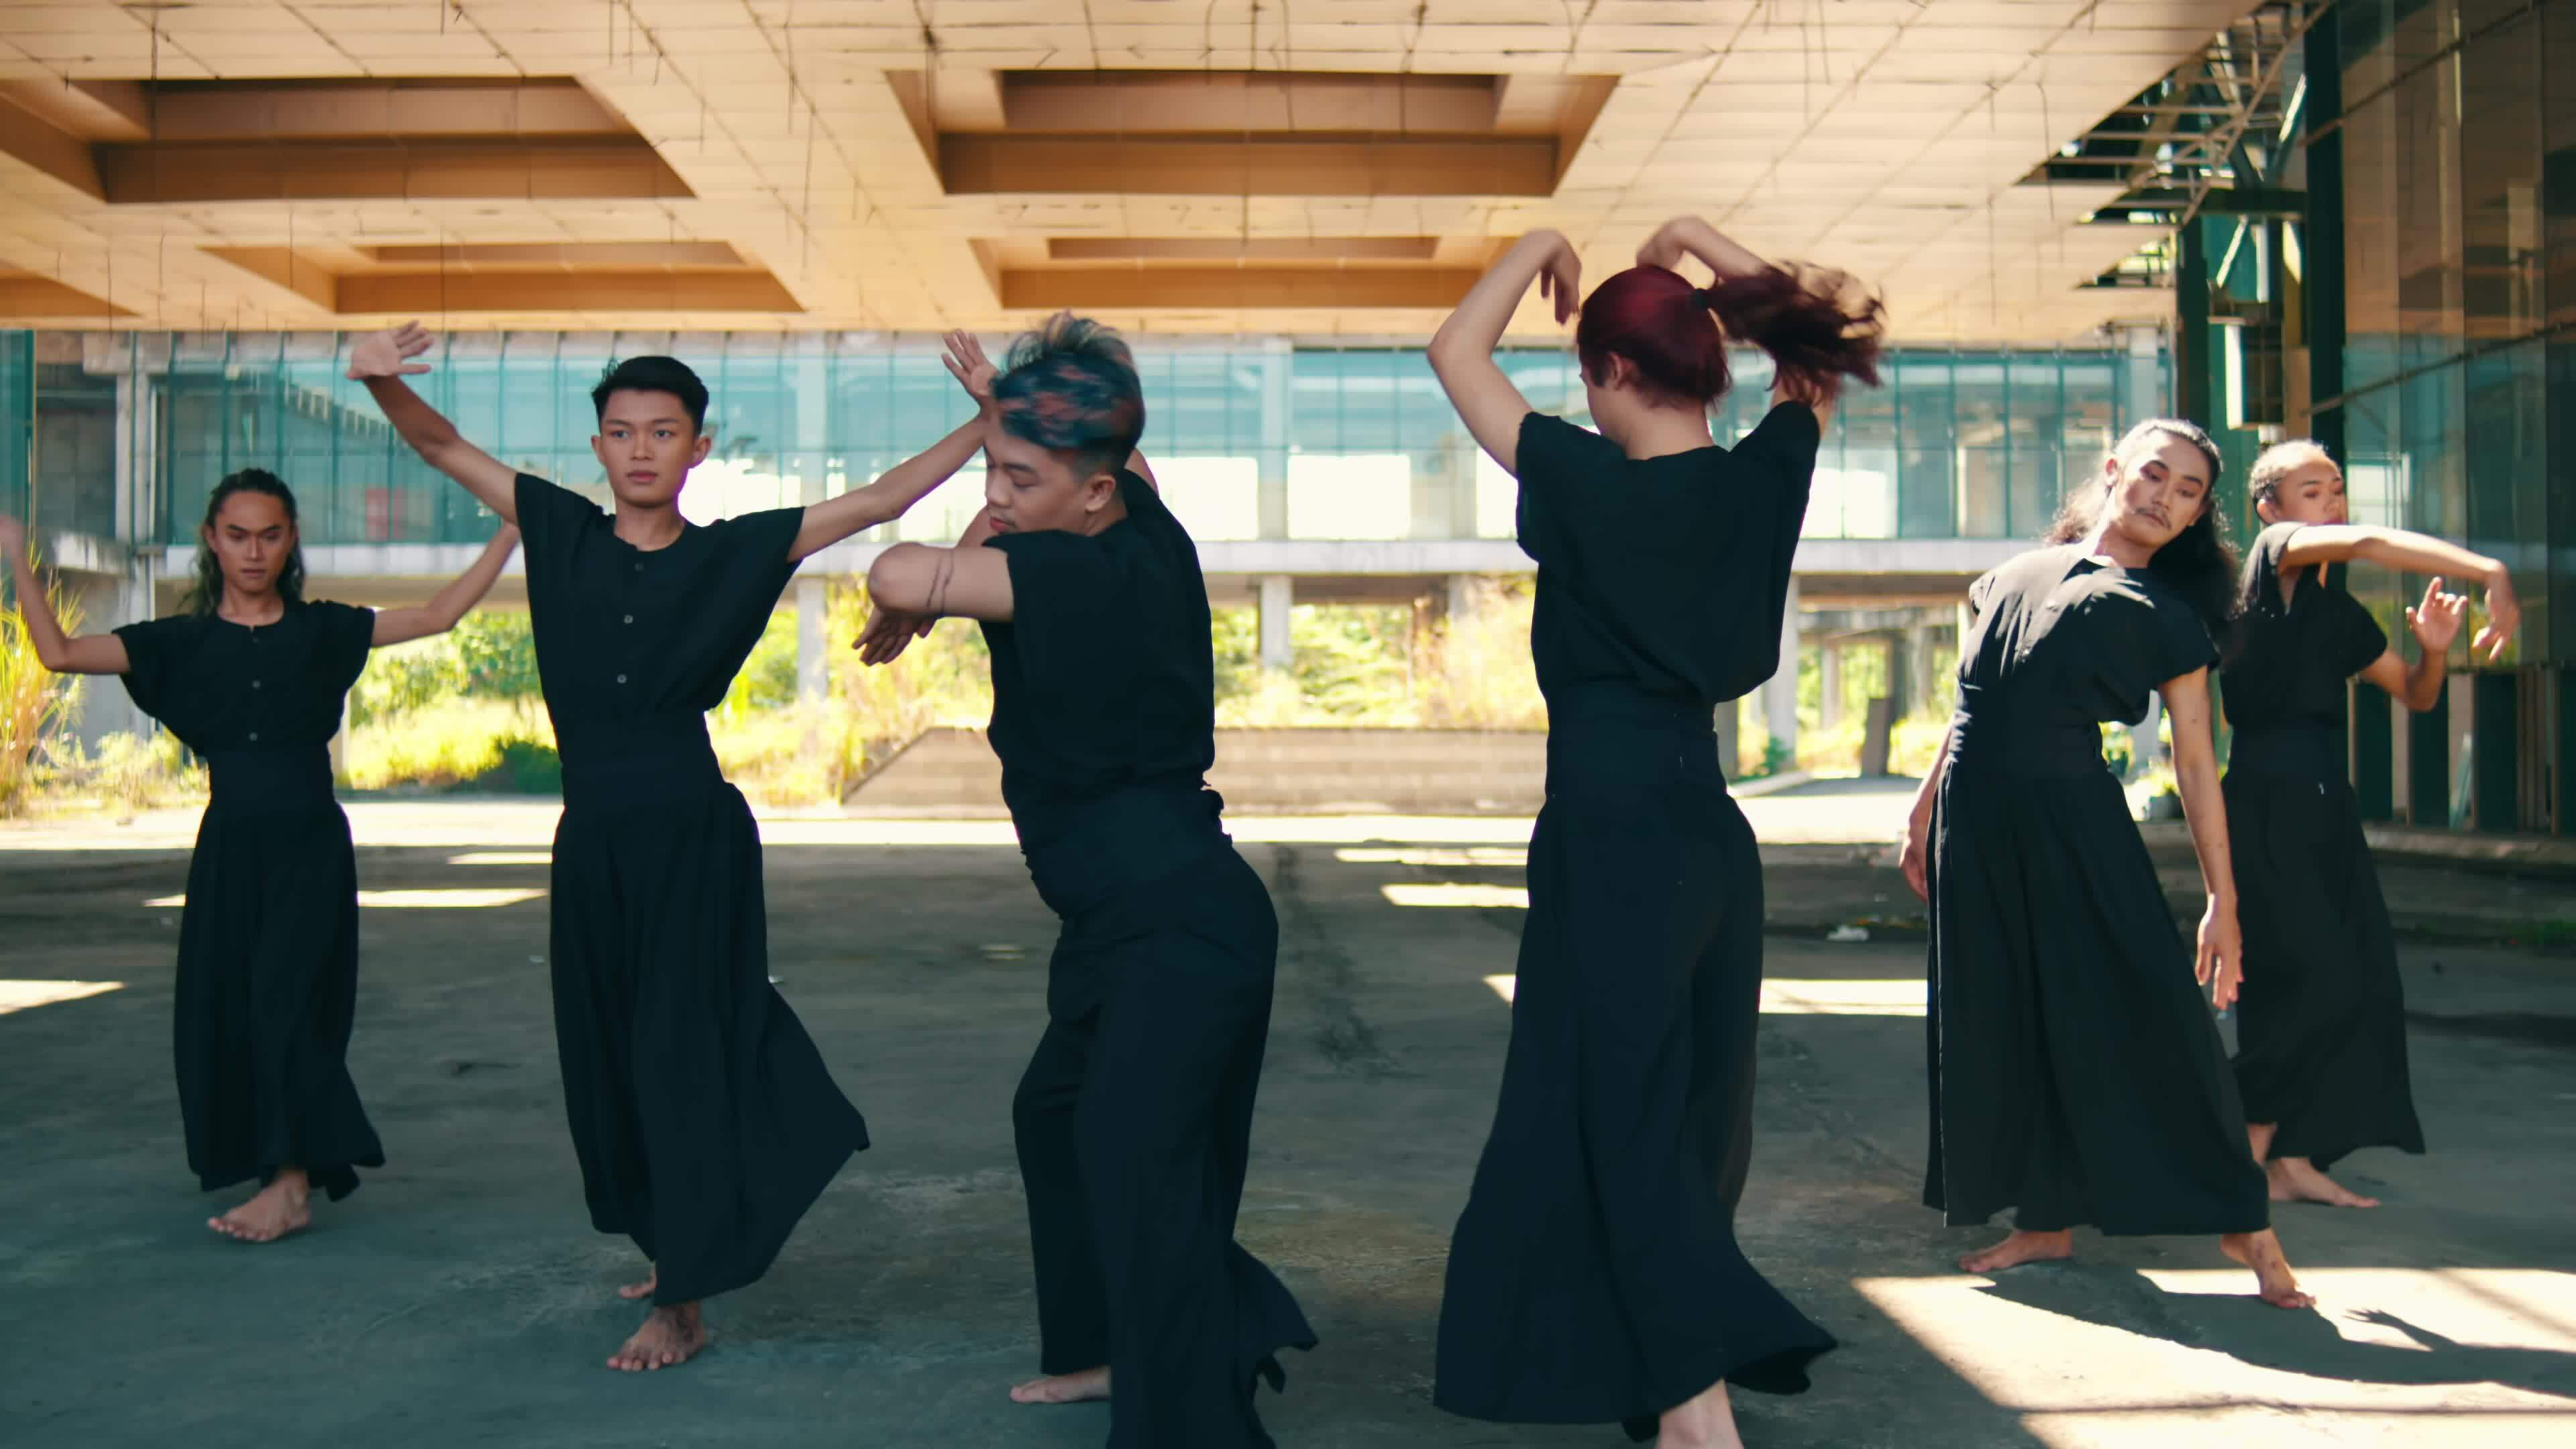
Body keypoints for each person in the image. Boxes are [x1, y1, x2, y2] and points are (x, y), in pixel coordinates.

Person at [350, 323, 988, 1372]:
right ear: (597, 447)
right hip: (592, 837)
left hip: (689, 834)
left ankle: (684, 1298)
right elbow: (439, 444)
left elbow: (879, 503)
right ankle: (679, 1237)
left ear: (697, 448)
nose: (640, 449)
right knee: (608, 1053)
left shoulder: (736, 547)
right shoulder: (556, 530)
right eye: (619, 432)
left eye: (662, 432)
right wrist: (375, 377)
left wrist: (986, 420)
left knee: (678, 1053)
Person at [1424, 217, 1882, 1449]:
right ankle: (1658, 1374)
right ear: (1703, 364)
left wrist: (1538, 243)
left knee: (1610, 1112)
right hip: (1708, 830)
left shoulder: (1577, 478)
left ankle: (1694, 1411)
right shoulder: (1766, 468)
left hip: (1608, 827)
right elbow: (1813, 358)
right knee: (1687, 1116)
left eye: (1588, 365)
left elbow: (1455, 351)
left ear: (1611, 373)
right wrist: (1694, 245)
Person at [859, 316, 1315, 1447]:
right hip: (1134, 920)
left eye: (1019, 474)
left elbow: (893, 562)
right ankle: (1110, 1351)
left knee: (1129, 1149)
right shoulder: (1140, 520)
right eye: (992, 470)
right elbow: (1071, 482)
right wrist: (1006, 426)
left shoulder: (1073, 574)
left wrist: (909, 596)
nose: (998, 492)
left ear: (1094, 492)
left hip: (1177, 922)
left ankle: (1195, 1403)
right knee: (1058, 1116)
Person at [2, 474, 517, 1243]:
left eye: (270, 534)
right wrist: (16, 552)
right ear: (212, 539)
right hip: (229, 851)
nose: (254, 551)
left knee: (288, 1005)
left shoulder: (323, 633)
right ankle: (283, 1170)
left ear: (291, 539)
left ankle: (288, 1184)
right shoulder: (177, 645)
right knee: (231, 1013)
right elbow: (60, 651)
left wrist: (513, 529)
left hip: (308, 844)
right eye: (238, 534)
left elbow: (439, 615)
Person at [1898, 418, 2313, 1310]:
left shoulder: (2167, 617)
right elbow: (1966, 705)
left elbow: (2197, 765)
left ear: (2200, 512)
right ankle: (2044, 1216)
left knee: (2149, 1013)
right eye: (2154, 474)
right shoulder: (2006, 577)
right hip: (1976, 823)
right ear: (2114, 469)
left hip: (2074, 824)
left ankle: (2243, 1215)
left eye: (2190, 489)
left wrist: (2222, 901)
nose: (2165, 496)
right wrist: (1923, 808)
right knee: (2004, 1016)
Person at [2222, 439, 2518, 1208]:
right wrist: (2491, 573)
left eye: (2337, 489)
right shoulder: (2272, 560)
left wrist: (2435, 653)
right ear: (2272, 509)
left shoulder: (2336, 613)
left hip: (2327, 799)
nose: (2333, 503)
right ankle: (2238, 1148)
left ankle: (2289, 1161)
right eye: (2311, 490)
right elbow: (2368, 542)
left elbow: (2416, 696)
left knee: (2354, 981)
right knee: (2318, 977)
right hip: (2266, 796)